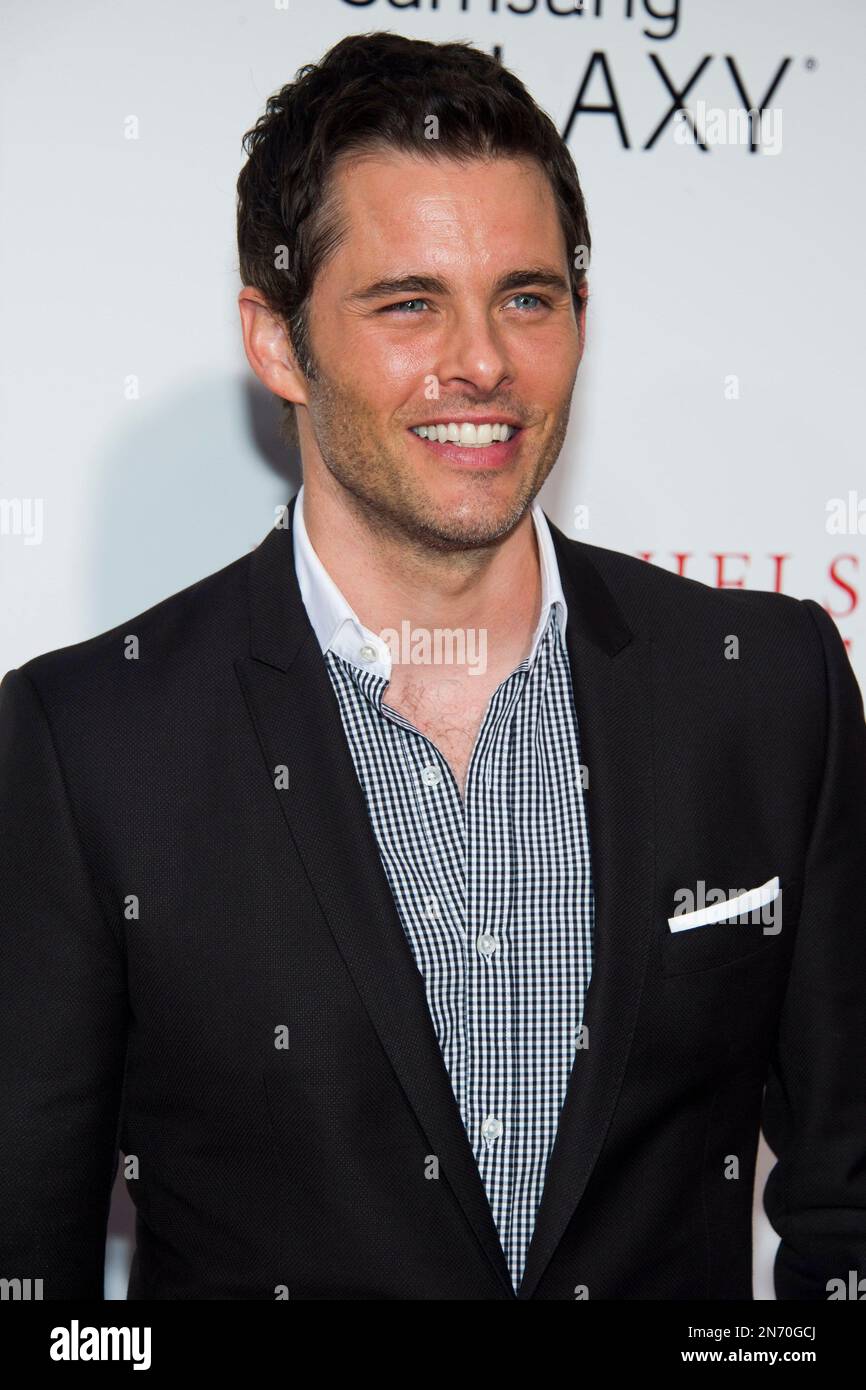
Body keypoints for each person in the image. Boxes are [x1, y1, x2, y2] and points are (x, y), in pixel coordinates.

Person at [1, 31, 864, 1301]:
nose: (484, 363)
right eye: (408, 303)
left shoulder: (762, 687)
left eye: (527, 296)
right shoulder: (93, 742)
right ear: (279, 342)